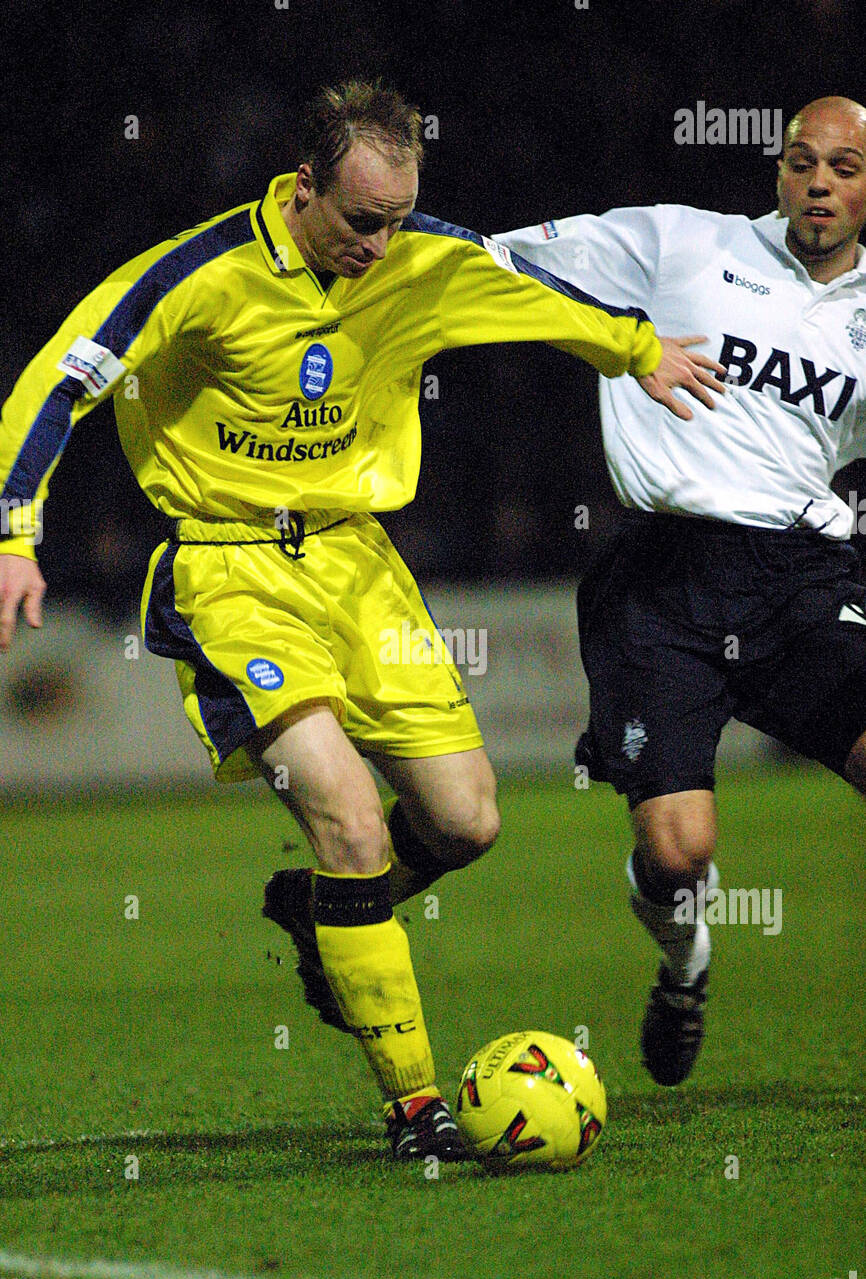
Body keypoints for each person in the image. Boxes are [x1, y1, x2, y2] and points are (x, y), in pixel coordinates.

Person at [0, 80, 719, 1158]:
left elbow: (531, 295)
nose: (383, 244)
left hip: (361, 570)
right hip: (230, 571)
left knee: (468, 823)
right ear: (301, 189)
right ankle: (417, 1107)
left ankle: (319, 910)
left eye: (399, 216)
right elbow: (60, 380)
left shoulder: (422, 256)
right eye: (362, 219)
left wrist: (635, 348)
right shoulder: (197, 276)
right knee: (347, 814)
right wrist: (15, 532)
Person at [498, 95, 866, 1088]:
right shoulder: (674, 246)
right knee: (677, 852)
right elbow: (494, 263)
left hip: (801, 580)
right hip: (663, 581)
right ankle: (683, 961)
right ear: (776, 173)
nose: (819, 182)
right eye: (801, 161)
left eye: (843, 166)